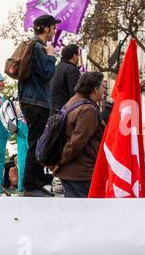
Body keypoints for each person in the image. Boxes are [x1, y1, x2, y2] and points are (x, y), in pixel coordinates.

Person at [17, 14, 60, 196]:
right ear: (46, 28)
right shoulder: (39, 48)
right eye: (53, 27)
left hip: (30, 99)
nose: (55, 30)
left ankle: (35, 182)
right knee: (36, 143)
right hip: (37, 101)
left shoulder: (31, 46)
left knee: (36, 141)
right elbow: (46, 74)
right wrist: (51, 57)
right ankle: (31, 185)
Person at [50, 71, 106, 199]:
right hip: (81, 173)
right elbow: (77, 142)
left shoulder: (72, 102)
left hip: (71, 172)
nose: (104, 90)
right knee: (86, 214)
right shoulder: (88, 110)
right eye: (102, 86)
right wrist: (59, 163)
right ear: (94, 89)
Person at [49, 43, 82, 116]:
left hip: (53, 111)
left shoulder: (56, 68)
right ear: (74, 56)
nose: (79, 58)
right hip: (65, 112)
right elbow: (75, 94)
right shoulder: (72, 70)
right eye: (78, 55)